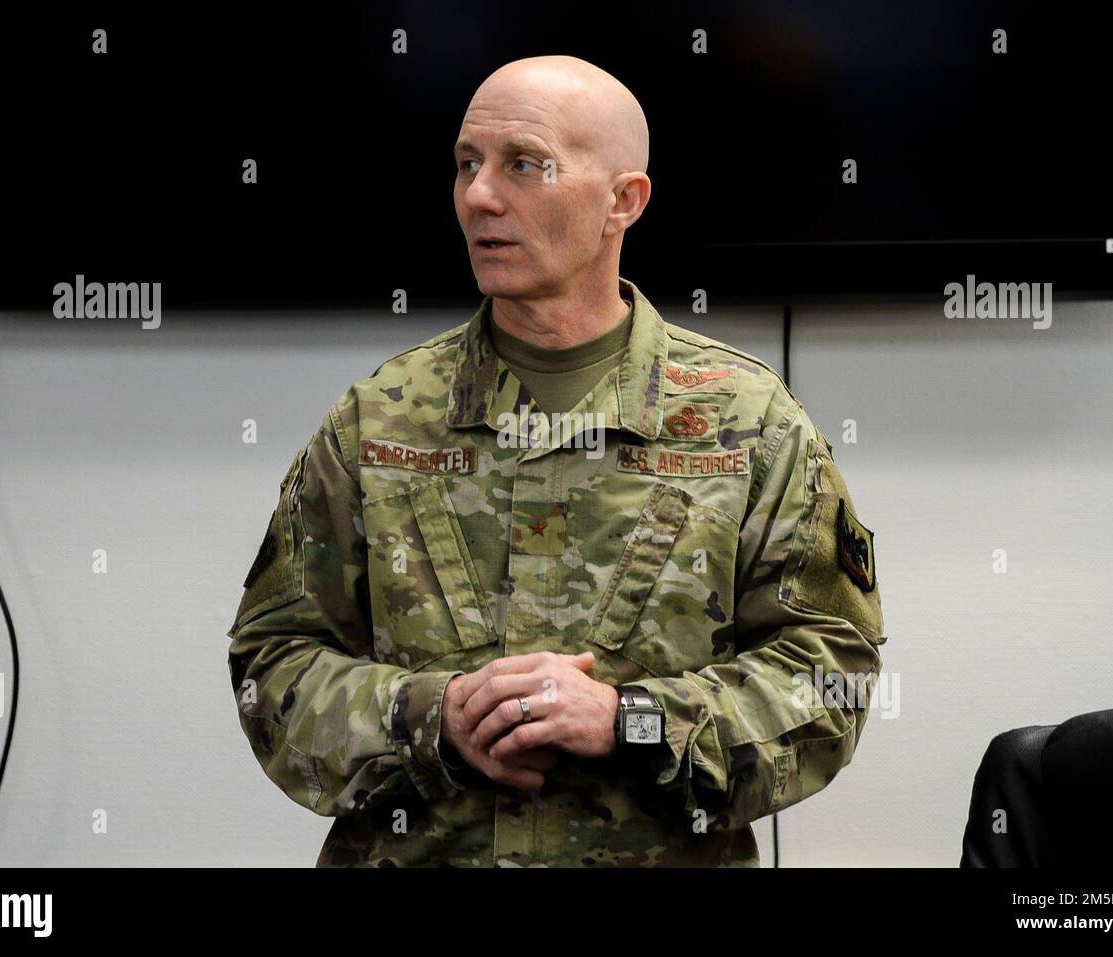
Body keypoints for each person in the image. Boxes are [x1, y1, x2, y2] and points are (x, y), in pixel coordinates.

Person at [226, 54, 886, 867]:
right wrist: (432, 715)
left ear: (623, 201)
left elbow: (831, 673)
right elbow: (272, 663)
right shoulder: (379, 419)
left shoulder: (749, 424)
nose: (478, 195)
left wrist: (629, 720)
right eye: (466, 164)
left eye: (523, 165)